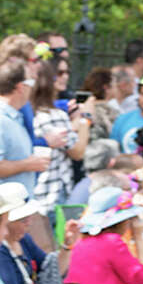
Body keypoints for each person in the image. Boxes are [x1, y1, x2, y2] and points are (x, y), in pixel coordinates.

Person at [0, 58, 54, 195]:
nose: (32, 88)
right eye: (31, 82)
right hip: (0, 206)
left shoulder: (13, 117)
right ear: (21, 87)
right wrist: (28, 164)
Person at [29, 60, 89, 214]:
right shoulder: (53, 115)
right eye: (59, 73)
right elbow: (77, 152)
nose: (65, 77)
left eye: (67, 72)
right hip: (52, 194)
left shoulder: (27, 112)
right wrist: (84, 119)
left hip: (34, 191)